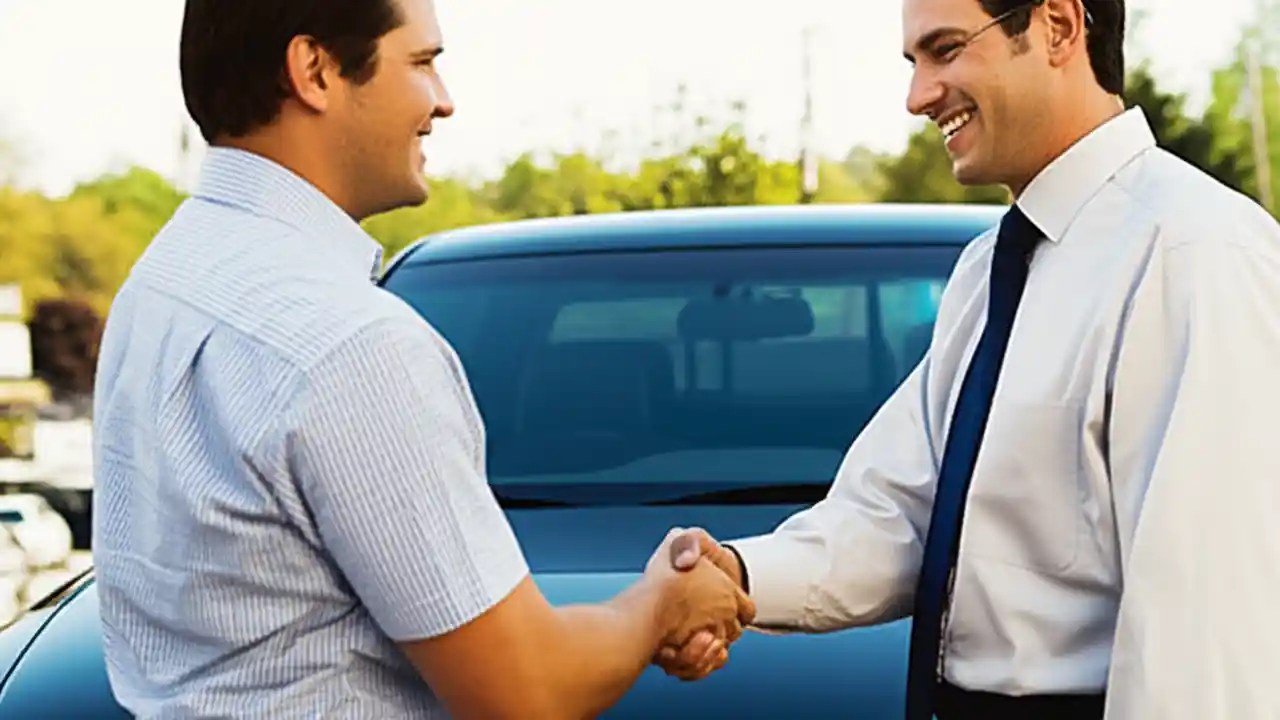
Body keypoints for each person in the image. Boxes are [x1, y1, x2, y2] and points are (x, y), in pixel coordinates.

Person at [90, 0, 754, 717]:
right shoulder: (350, 343)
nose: (443, 102)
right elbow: (527, 692)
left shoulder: (162, 283)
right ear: (314, 70)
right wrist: (662, 602)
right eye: (423, 62)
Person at [657, 0, 1280, 718]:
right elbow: (899, 514)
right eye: (914, 62)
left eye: (945, 50)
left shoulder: (1195, 253)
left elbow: (1205, 632)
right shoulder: (988, 269)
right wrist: (734, 574)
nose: (918, 97)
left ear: (1058, 26)